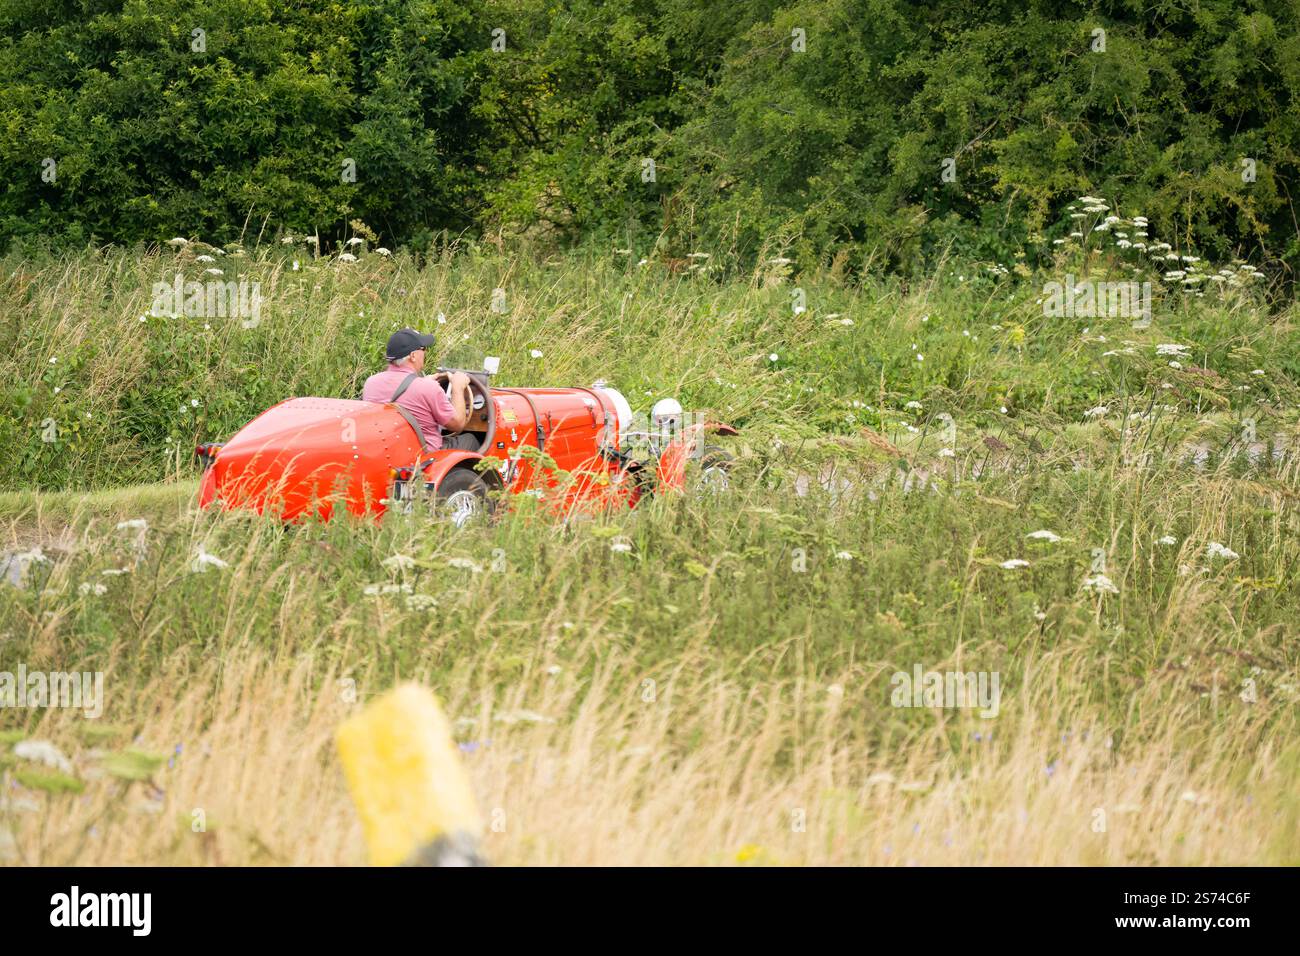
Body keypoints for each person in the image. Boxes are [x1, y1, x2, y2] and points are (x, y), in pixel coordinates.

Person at [362, 328, 475, 450]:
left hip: (390, 450)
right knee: (471, 440)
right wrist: (457, 388)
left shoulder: (371, 382)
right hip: (424, 455)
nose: (425, 353)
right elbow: (457, 424)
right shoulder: (428, 388)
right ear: (413, 356)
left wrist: (423, 382)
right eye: (423, 349)